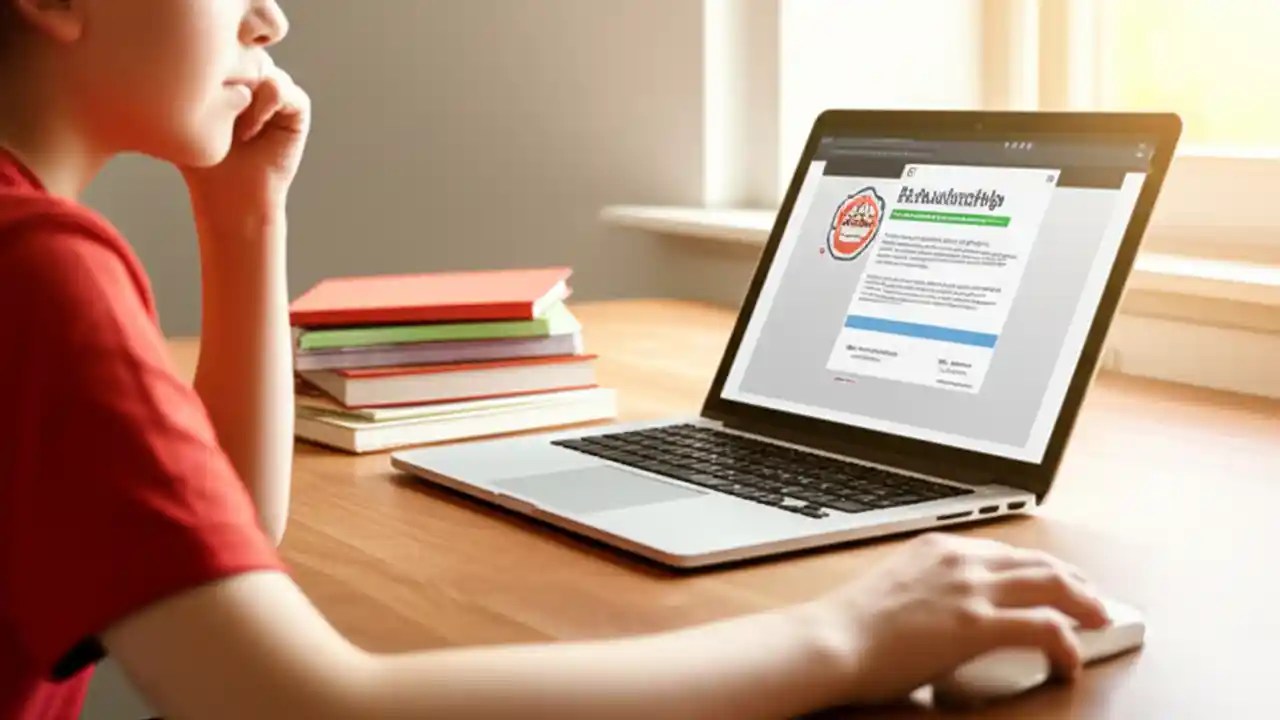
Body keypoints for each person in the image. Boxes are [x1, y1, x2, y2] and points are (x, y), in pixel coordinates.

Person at [0, 1, 1110, 718]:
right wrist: (843, 632)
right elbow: (295, 705)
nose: (270, 18)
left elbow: (214, 534)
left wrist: (243, 221)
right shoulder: (39, 270)